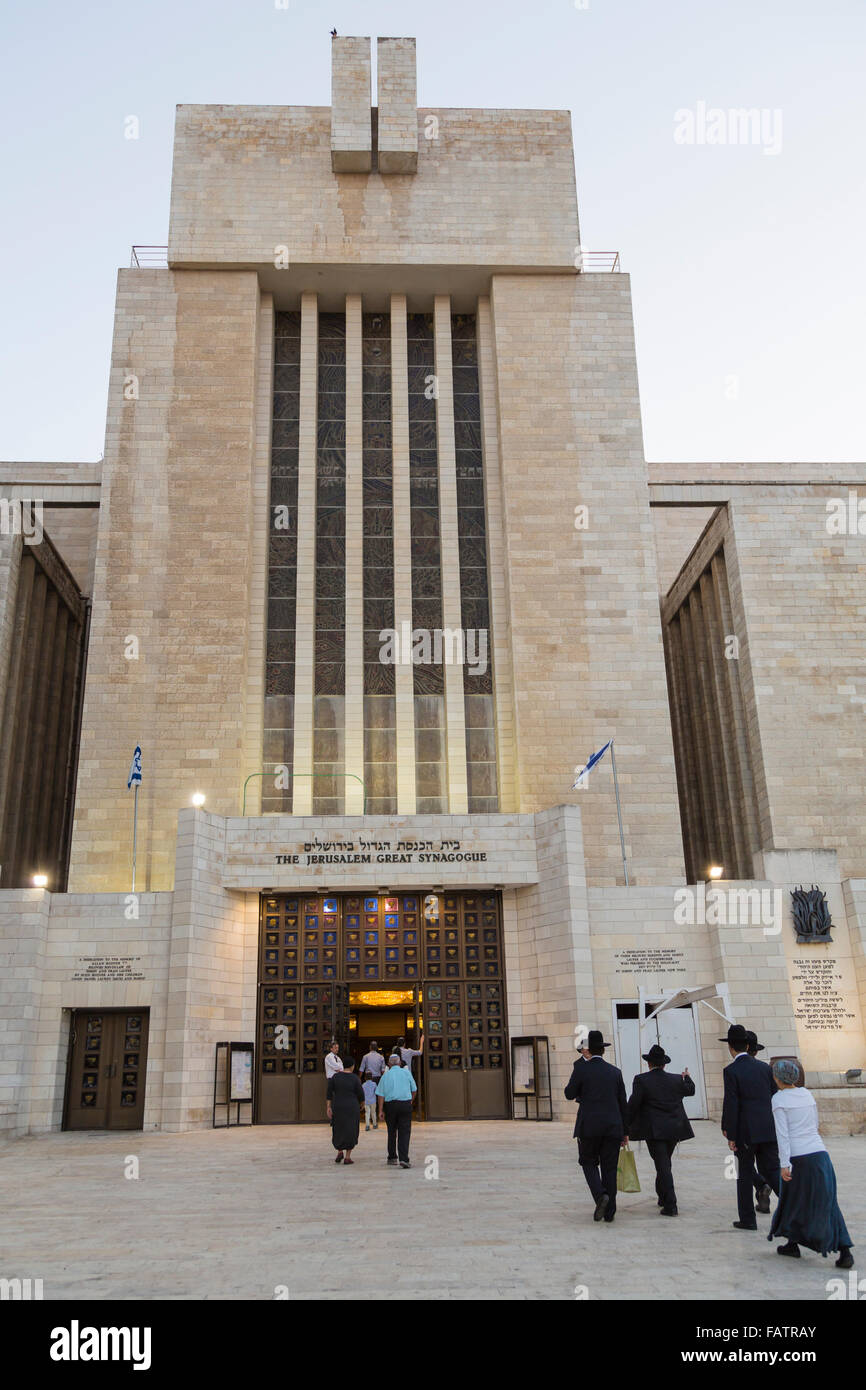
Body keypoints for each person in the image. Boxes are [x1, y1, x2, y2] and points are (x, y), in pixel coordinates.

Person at [768, 1058, 854, 1267]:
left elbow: (783, 1135)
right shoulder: (807, 1094)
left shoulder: (779, 1100)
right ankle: (842, 1250)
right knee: (827, 1201)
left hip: (799, 1159)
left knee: (793, 1200)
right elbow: (814, 1124)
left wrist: (784, 1163)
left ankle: (793, 1243)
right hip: (820, 1155)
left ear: (778, 1078)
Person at [720, 1023, 781, 1231]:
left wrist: (730, 1133)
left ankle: (747, 1219)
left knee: (745, 1174)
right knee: (773, 1171)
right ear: (747, 1046)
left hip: (746, 1132)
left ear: (731, 1047)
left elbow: (732, 1103)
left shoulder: (731, 1071)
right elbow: (775, 1097)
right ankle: (794, 1206)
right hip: (768, 1129)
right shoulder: (765, 1068)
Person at [564, 1029, 628, 1224]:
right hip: (612, 1126)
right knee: (609, 1168)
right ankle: (610, 1212)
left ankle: (600, 1196)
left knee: (588, 1162)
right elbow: (622, 1103)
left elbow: (569, 1093)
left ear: (588, 1051)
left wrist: (579, 1067)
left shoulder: (582, 1069)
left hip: (589, 1126)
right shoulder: (615, 1072)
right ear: (604, 1051)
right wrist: (625, 1132)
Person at [626, 1043, 695, 1216]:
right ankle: (662, 1196)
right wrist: (687, 1077)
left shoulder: (641, 1080)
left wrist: (624, 1124)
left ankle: (670, 1203)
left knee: (662, 1164)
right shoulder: (676, 1079)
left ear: (649, 1064)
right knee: (664, 1162)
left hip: (654, 1130)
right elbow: (691, 1090)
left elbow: (634, 1104)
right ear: (664, 1064)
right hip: (674, 1128)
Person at [745, 1029, 775, 1214]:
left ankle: (760, 1185)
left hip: (747, 1128)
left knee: (743, 1165)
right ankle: (766, 1195)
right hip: (767, 1125)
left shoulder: (735, 1070)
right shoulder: (767, 1069)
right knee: (769, 1166)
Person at [376, 1052, 417, 1168]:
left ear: (389, 1063)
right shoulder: (406, 1073)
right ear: (399, 1063)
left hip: (390, 1106)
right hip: (405, 1104)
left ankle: (392, 1157)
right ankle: (404, 1158)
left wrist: (380, 1110)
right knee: (404, 1132)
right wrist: (410, 1101)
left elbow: (380, 1094)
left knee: (391, 1131)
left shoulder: (386, 1075)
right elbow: (414, 1089)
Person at [326, 1059, 364, 1165]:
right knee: (351, 1129)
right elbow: (361, 1093)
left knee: (338, 1127)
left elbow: (329, 1093)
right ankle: (347, 1157)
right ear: (352, 1066)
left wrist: (328, 1107)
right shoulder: (355, 1078)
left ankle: (339, 1151)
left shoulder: (335, 1077)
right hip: (351, 1106)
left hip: (338, 1105)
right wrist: (362, 1104)